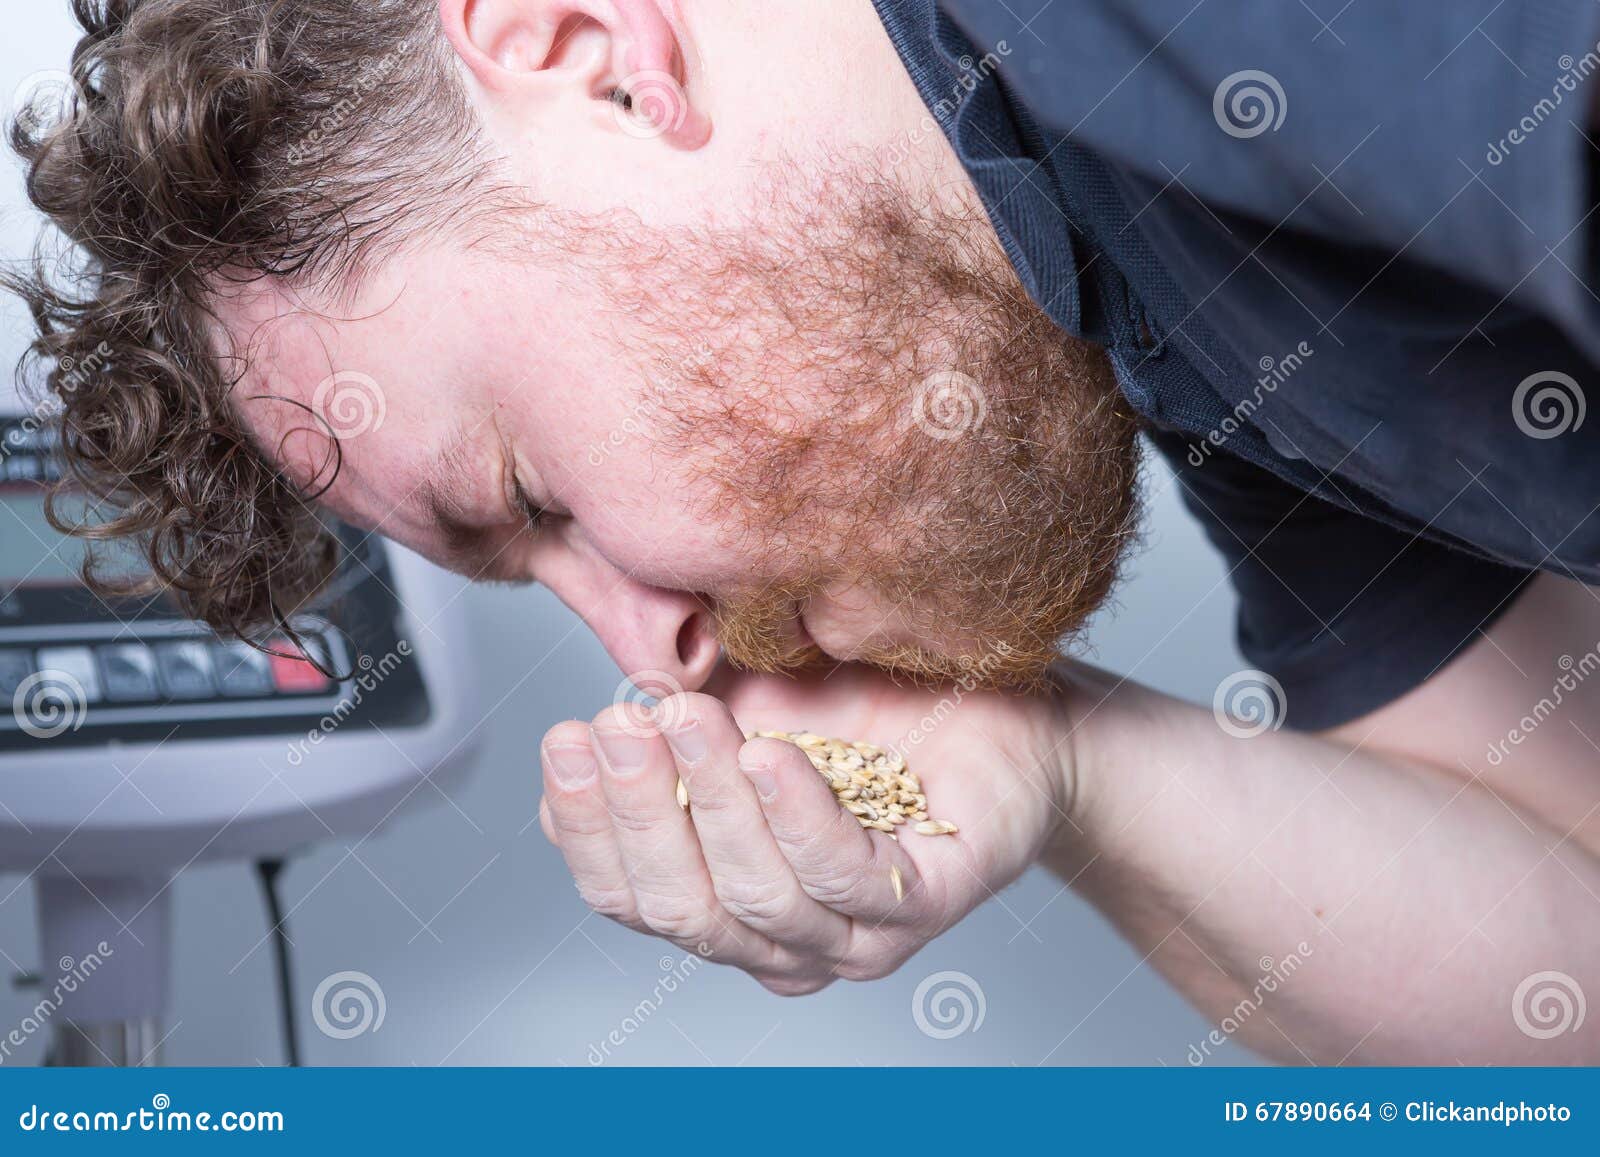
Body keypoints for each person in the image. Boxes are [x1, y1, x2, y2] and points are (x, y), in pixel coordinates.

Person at [10, 0, 1599, 1063]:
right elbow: (1565, 968)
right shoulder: (1115, 284)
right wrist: (1060, 762)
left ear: (586, 51)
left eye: (533, 498)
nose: (658, 658)